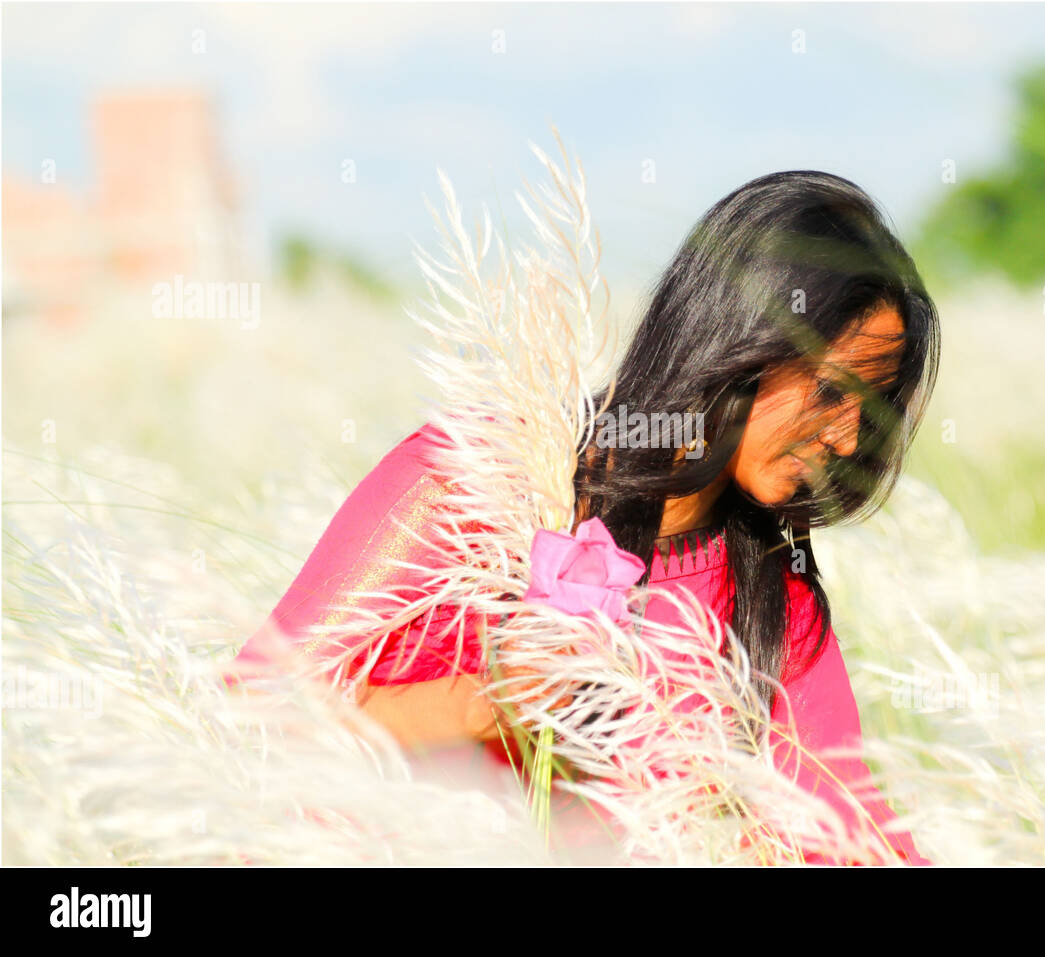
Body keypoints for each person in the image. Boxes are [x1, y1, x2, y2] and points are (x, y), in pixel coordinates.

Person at [233, 169, 940, 865]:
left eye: (868, 407)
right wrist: (484, 706)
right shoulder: (473, 479)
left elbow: (859, 841)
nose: (848, 439)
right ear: (740, 340)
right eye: (830, 390)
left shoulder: (775, 596)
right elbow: (257, 713)